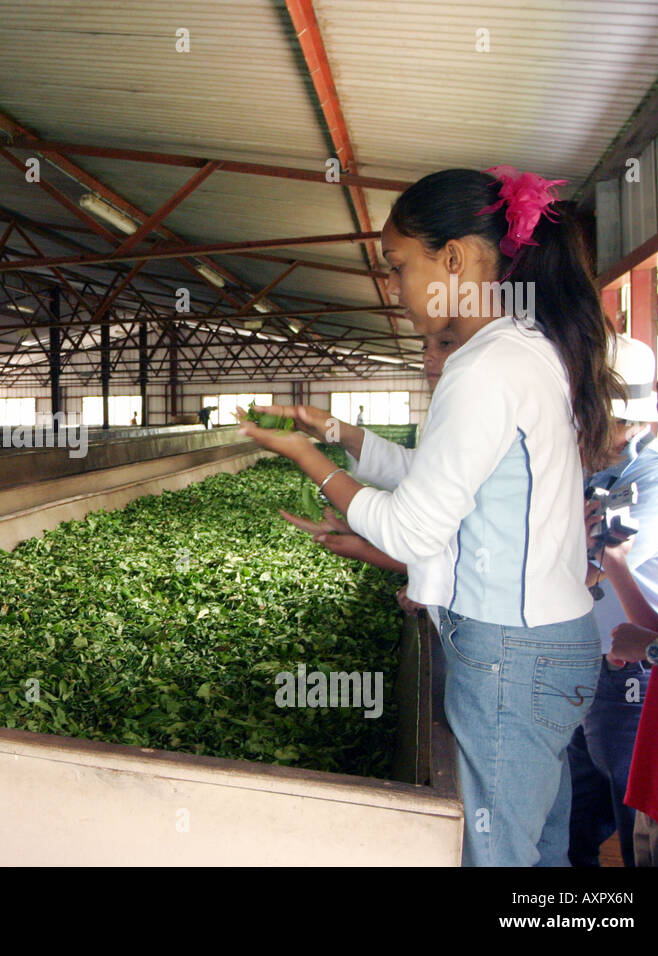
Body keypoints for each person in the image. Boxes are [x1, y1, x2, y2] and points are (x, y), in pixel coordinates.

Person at [240, 166, 622, 866]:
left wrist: (306, 459)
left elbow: (413, 527)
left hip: (511, 652)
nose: (393, 289)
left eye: (397, 266)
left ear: (454, 258)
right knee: (538, 844)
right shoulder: (525, 349)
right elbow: (442, 481)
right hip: (548, 641)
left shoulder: (482, 369)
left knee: (499, 858)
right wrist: (341, 436)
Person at [568, 335, 658, 867]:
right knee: (591, 803)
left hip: (637, 681)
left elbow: (596, 566)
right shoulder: (606, 472)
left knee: (630, 802)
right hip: (614, 664)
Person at [276, 328, 463, 616]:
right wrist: (337, 432)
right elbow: (414, 470)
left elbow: (477, 551)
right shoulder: (450, 413)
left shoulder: (486, 414)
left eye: (446, 344)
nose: (428, 357)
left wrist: (304, 454)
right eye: (425, 346)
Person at [600, 356, 658, 865]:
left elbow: (657, 643)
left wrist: (650, 648)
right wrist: (615, 563)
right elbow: (656, 630)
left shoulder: (657, 484)